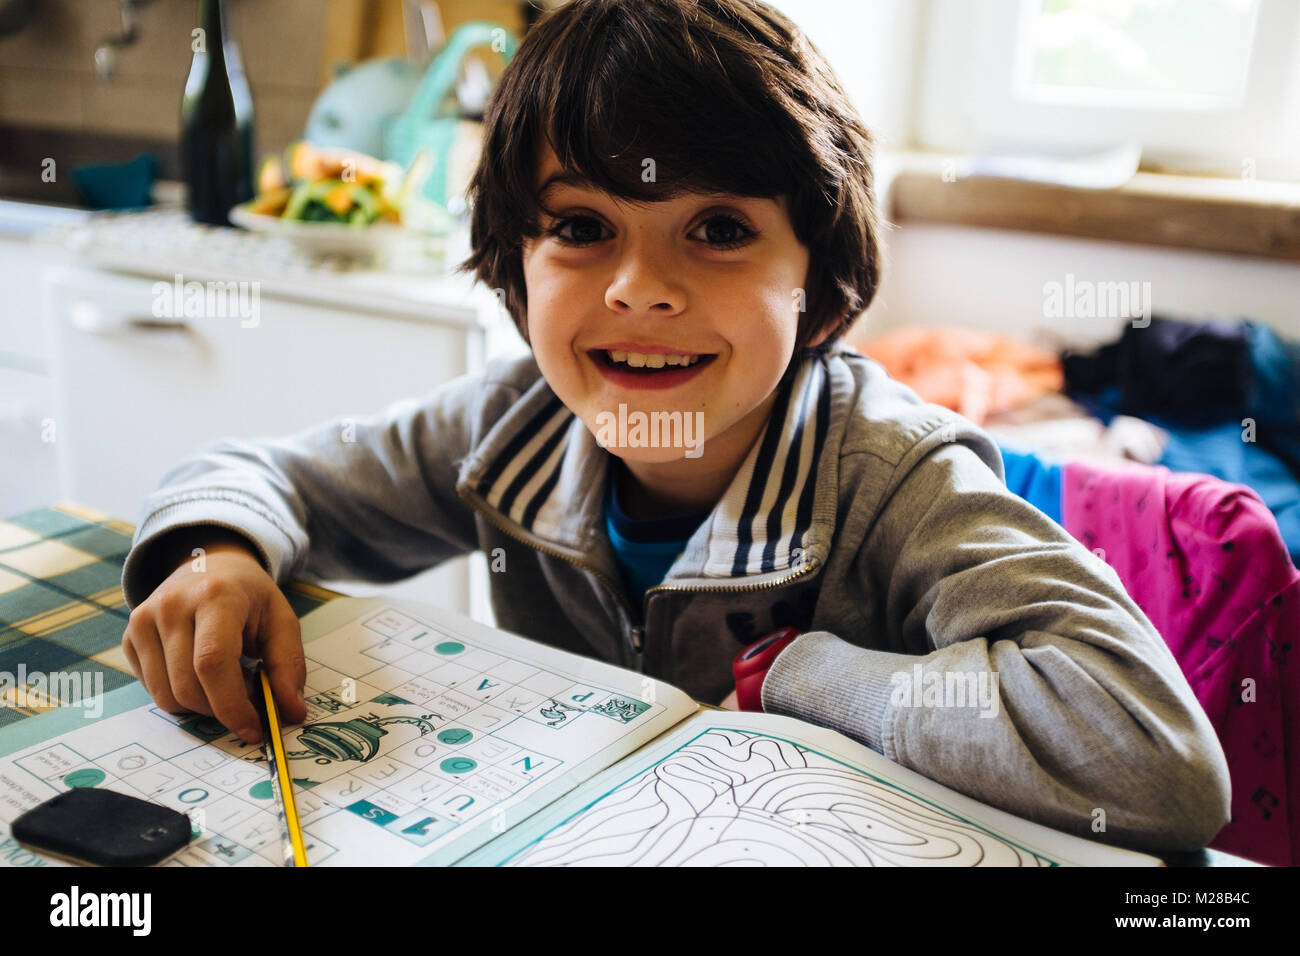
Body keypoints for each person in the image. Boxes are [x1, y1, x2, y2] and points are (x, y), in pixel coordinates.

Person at [120, 0, 1230, 852]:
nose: (639, 289)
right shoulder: (512, 422)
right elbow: (272, 476)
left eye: (715, 228)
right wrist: (215, 549)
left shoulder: (892, 474)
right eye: (582, 226)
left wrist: (799, 672)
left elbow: (1155, 757)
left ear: (821, 286)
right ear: (513, 264)